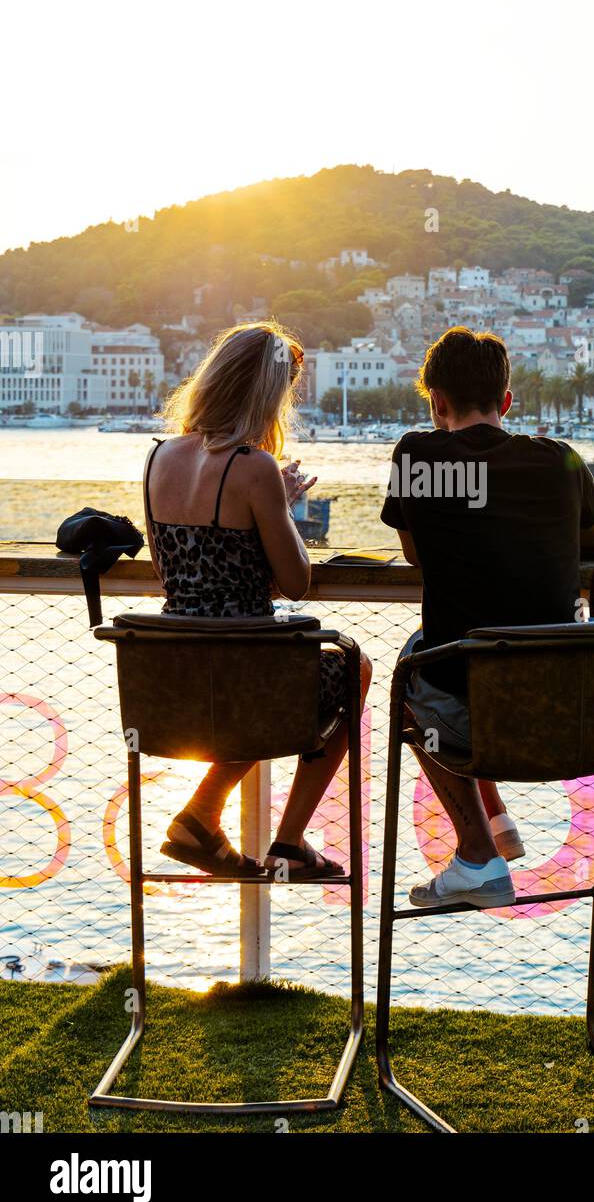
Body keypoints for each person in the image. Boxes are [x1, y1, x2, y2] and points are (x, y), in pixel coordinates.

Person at [381, 327, 594, 909]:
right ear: (506, 402)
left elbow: (413, 552)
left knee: (415, 664)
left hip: (469, 716)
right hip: (565, 711)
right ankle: (495, 831)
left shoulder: (416, 455)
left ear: (436, 403)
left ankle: (479, 852)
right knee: (444, 652)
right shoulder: (558, 459)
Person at [144, 319, 372, 879]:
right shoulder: (254, 469)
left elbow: (171, 572)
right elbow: (295, 582)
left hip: (174, 678)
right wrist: (284, 509)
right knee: (354, 668)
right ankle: (289, 840)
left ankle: (201, 815)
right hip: (245, 675)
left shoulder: (157, 458)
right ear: (266, 398)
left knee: (267, 681)